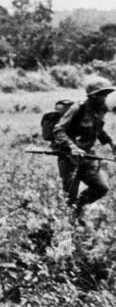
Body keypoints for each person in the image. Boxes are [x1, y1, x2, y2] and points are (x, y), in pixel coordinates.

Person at [51, 75, 116, 211]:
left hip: (88, 155)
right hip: (69, 157)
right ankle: (66, 221)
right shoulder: (77, 109)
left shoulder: (100, 109)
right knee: (69, 197)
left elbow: (97, 128)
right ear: (93, 96)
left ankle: (78, 209)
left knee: (101, 188)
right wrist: (73, 147)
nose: (107, 97)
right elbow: (58, 130)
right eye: (103, 94)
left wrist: (111, 142)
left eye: (108, 94)